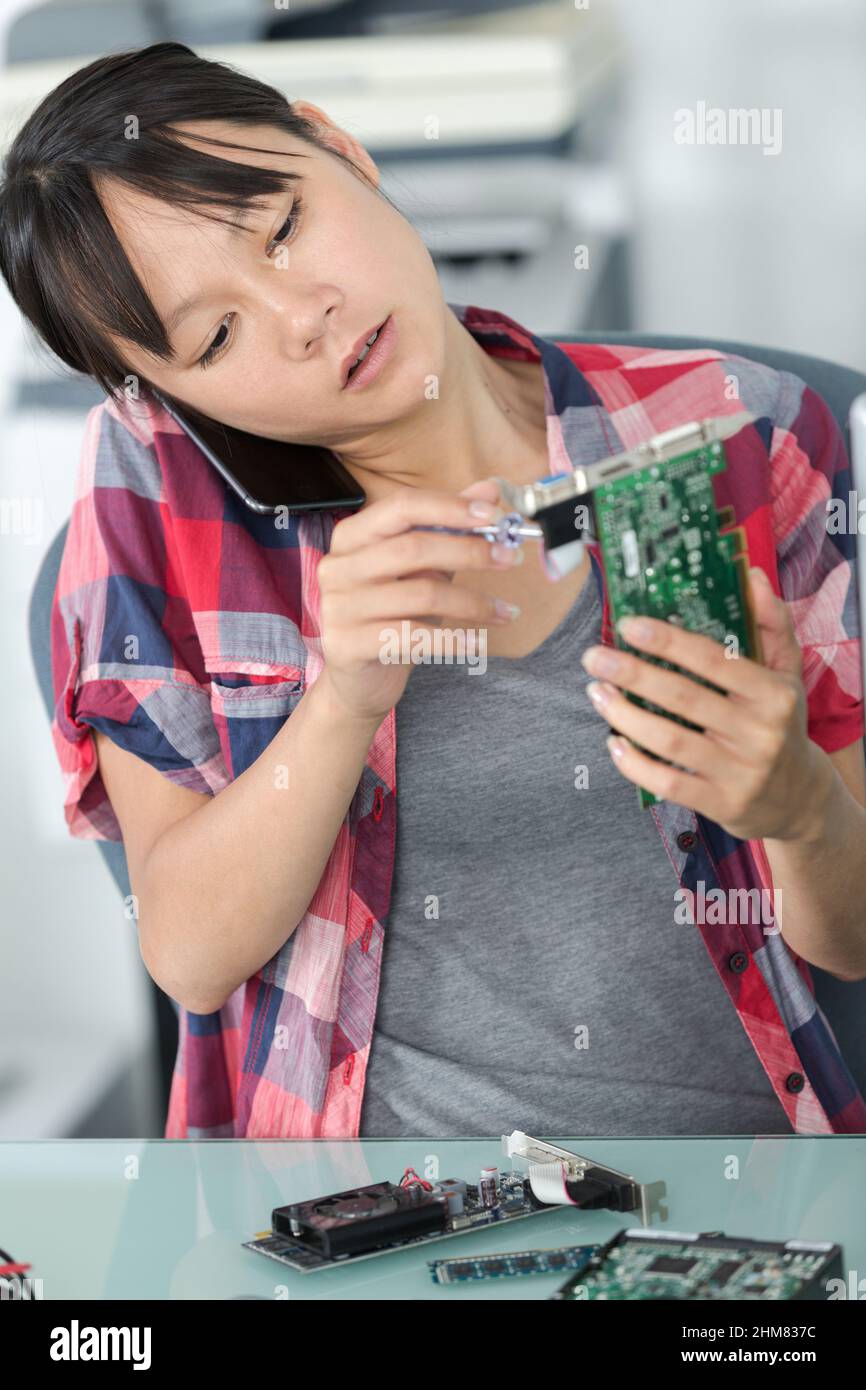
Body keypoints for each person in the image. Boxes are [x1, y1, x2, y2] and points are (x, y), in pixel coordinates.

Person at [1, 43, 864, 1141]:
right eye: (215, 337)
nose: (300, 313)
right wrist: (342, 701)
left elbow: (851, 936)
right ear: (165, 396)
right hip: (362, 1219)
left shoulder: (741, 426)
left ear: (337, 146)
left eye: (281, 227)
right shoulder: (158, 499)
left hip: (731, 1186)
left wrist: (792, 805)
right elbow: (191, 957)